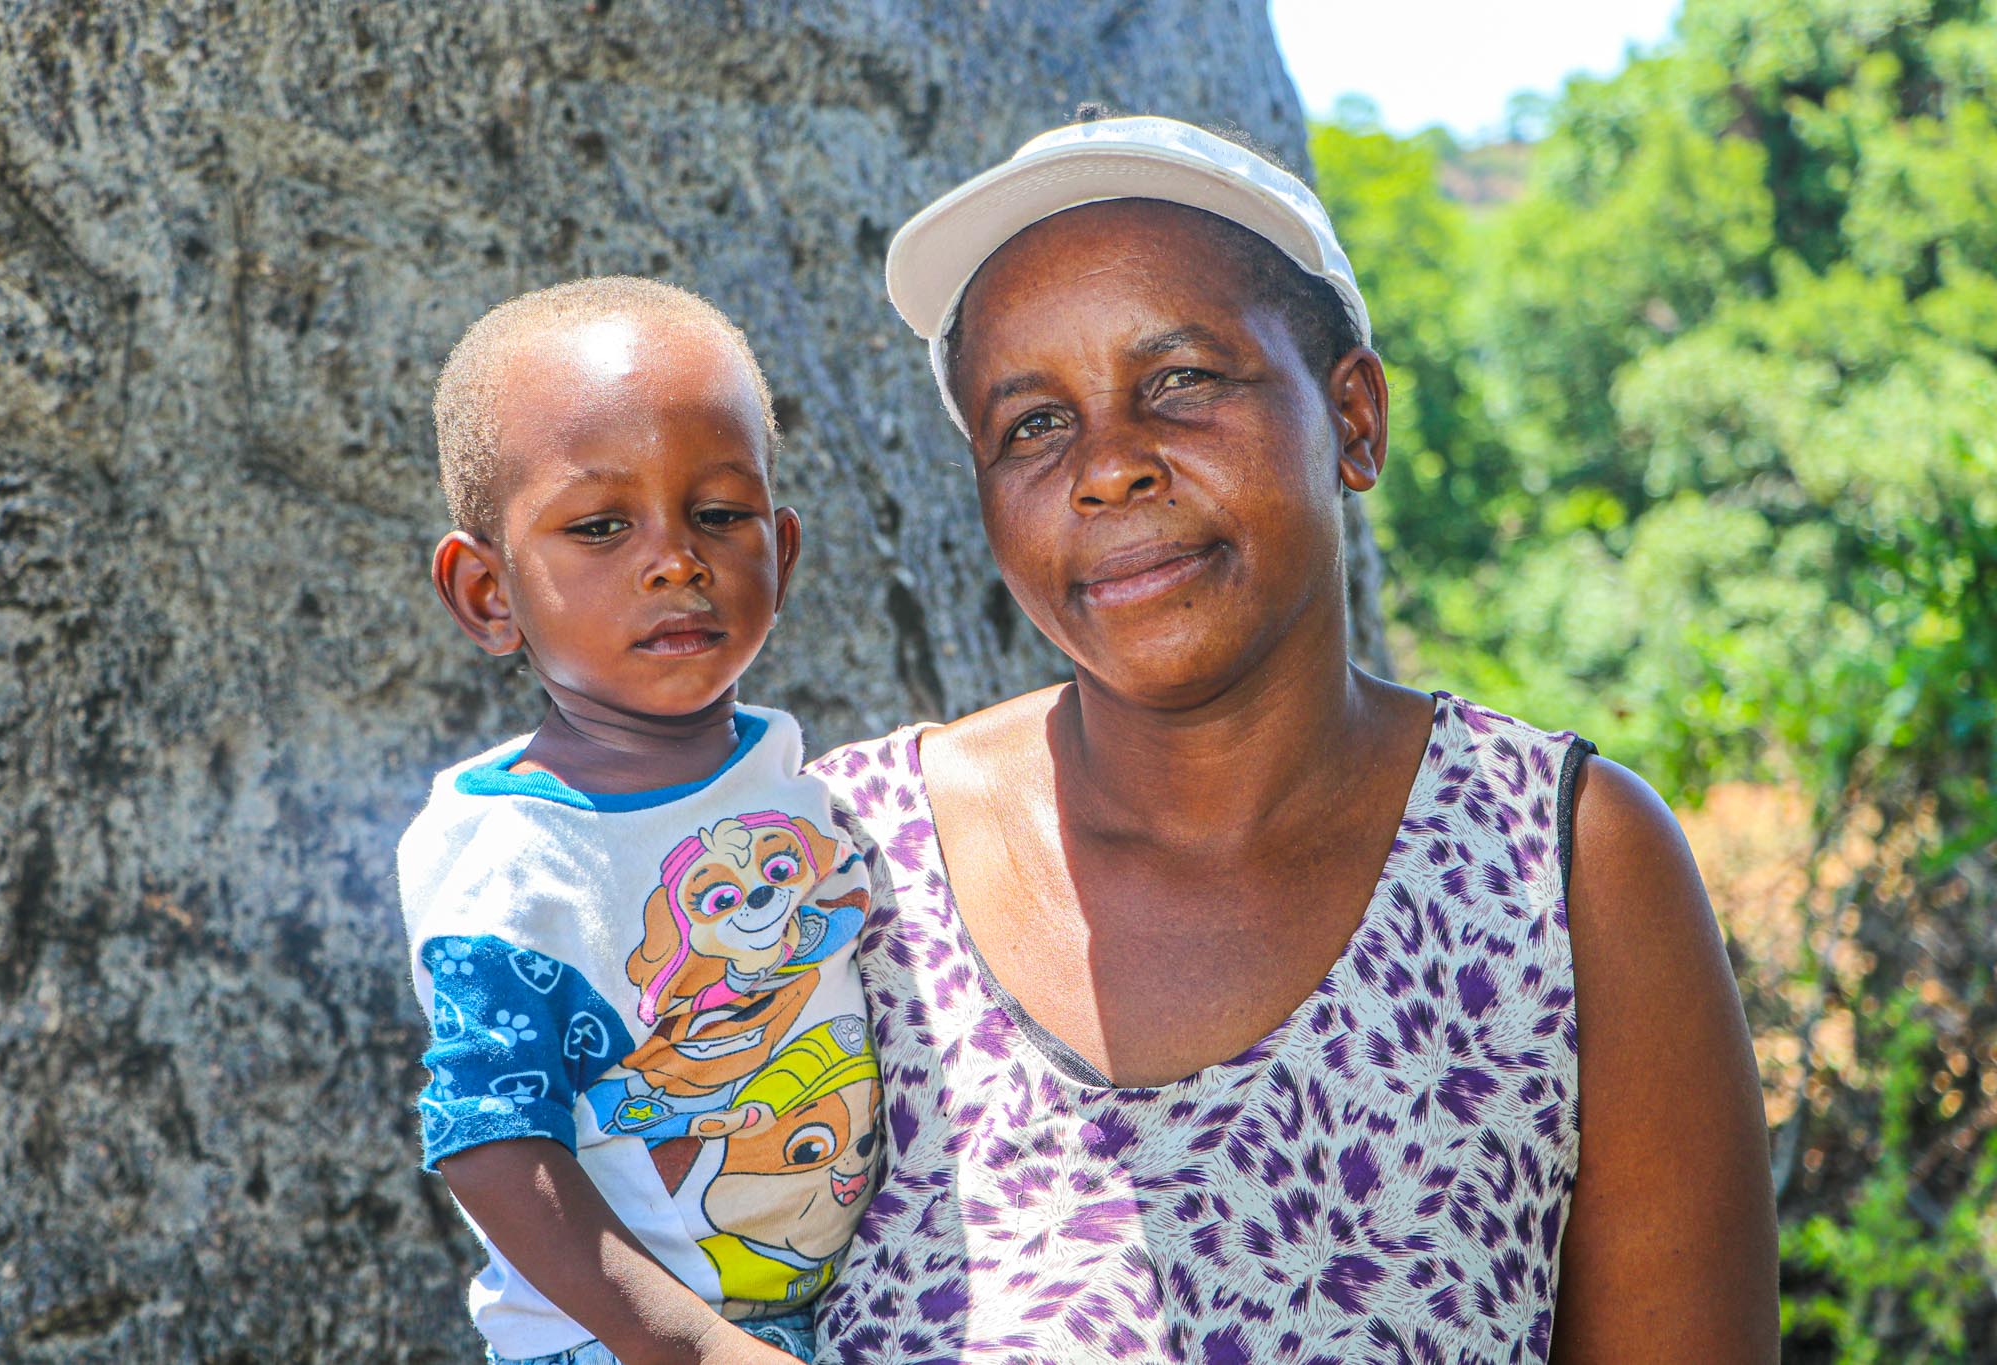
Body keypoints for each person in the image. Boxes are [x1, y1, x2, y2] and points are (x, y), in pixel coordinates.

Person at [807, 116, 1780, 1362]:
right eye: (1032, 426)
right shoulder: (836, 867)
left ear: (1354, 419)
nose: (1107, 468)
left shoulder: (1565, 872)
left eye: (1179, 382)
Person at [397, 277, 880, 1365]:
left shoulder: (787, 779)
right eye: (600, 525)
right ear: (487, 594)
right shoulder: (515, 860)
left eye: (718, 514)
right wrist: (696, 1346)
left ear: (782, 553)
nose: (674, 559)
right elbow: (490, 1144)